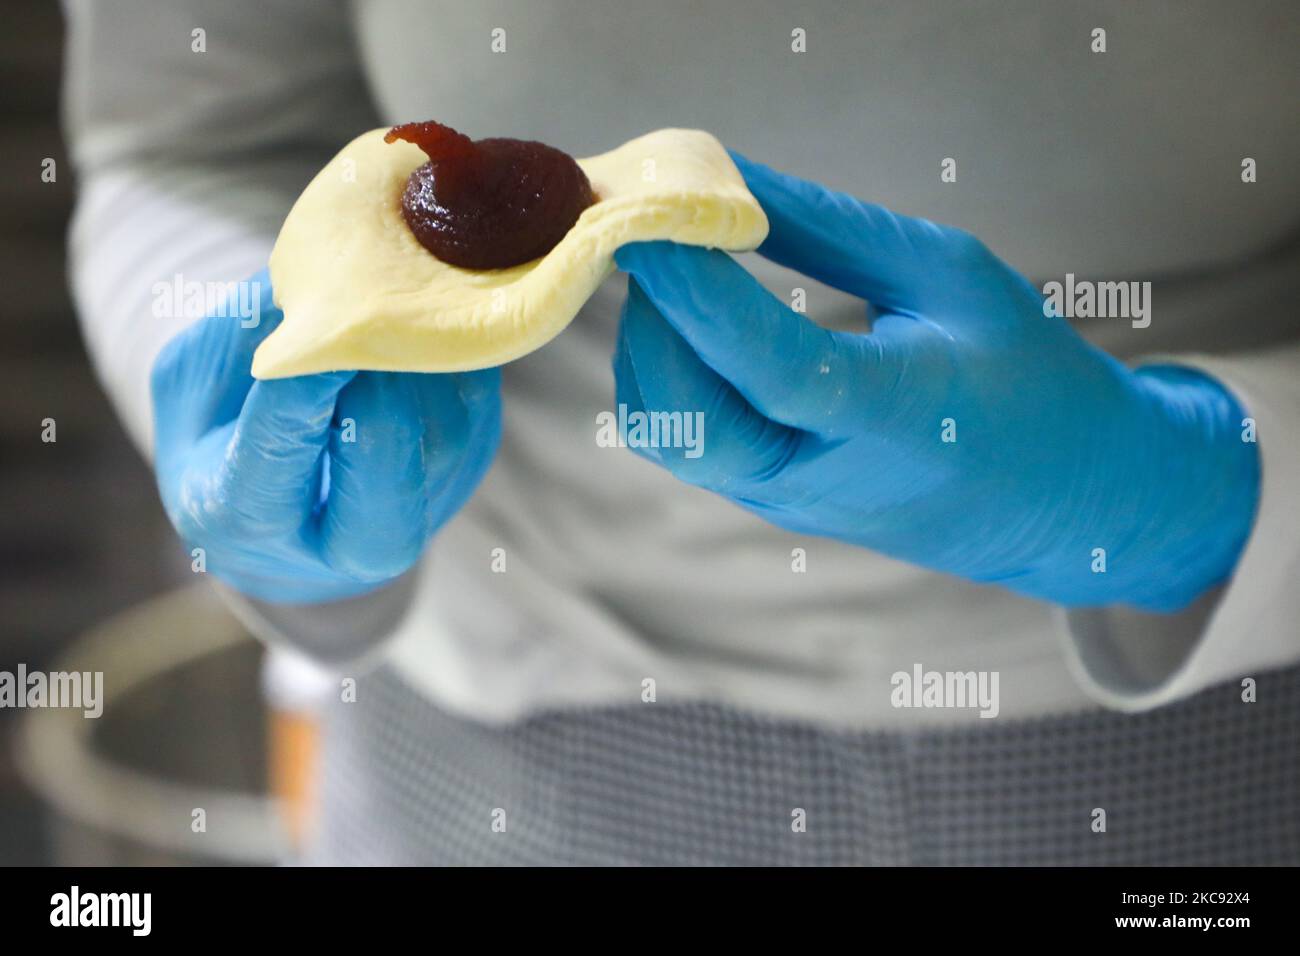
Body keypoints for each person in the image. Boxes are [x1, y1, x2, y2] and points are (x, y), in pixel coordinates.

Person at [63, 0, 1300, 864]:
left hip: (1229, 759)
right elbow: (194, 137)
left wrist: (1214, 487)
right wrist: (274, 479)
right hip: (503, 759)